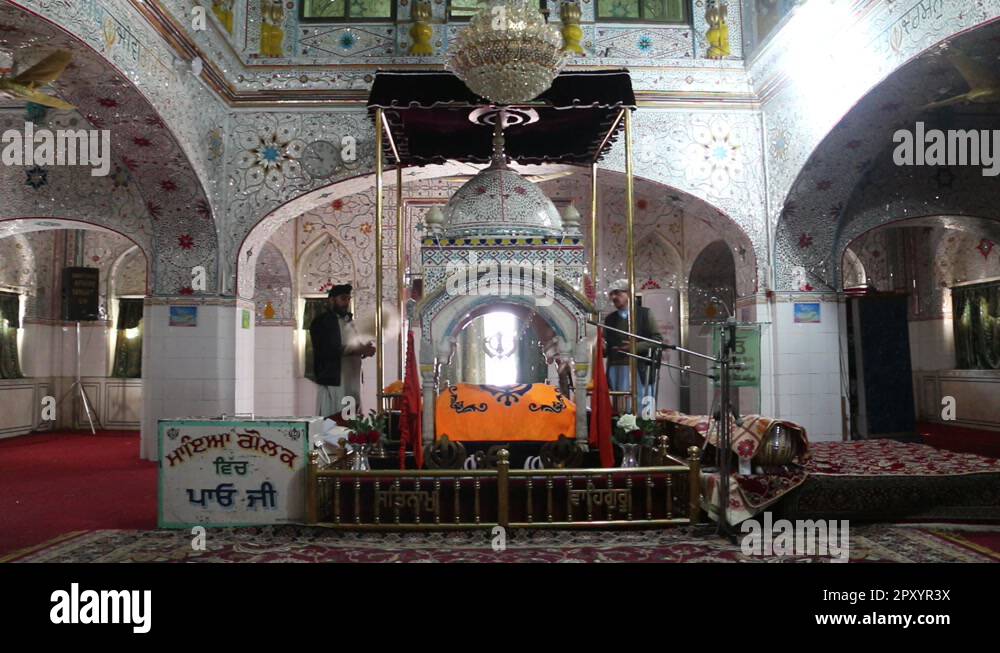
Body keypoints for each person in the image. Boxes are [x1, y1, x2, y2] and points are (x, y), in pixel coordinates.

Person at [310, 284, 376, 419]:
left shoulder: (350, 322)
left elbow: (354, 347)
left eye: (348, 299)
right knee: (333, 421)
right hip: (334, 381)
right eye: (343, 299)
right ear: (332, 300)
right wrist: (359, 349)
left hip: (352, 379)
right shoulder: (322, 322)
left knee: (351, 421)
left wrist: (364, 349)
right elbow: (327, 350)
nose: (346, 303)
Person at [603, 288, 662, 406]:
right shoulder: (609, 319)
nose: (614, 297)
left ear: (629, 294)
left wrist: (634, 347)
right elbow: (607, 346)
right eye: (612, 294)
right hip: (616, 368)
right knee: (620, 406)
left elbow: (657, 341)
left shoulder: (644, 314)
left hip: (639, 367)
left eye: (618, 293)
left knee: (641, 405)